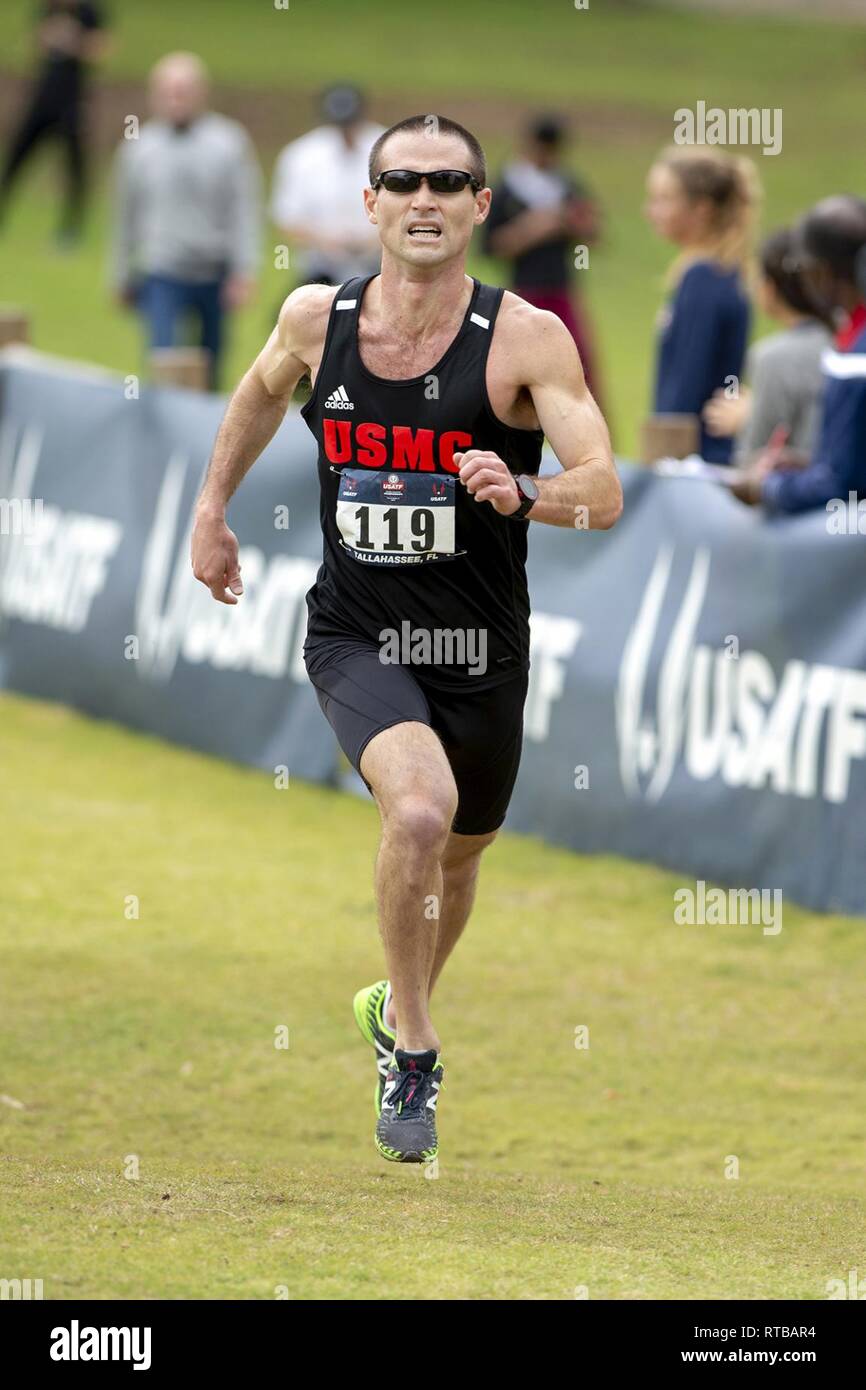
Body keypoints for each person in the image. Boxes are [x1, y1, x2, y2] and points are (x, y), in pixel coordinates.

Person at [190, 114, 621, 1165]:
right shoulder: (312, 317)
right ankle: (416, 1053)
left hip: (479, 648)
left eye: (448, 181)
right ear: (369, 203)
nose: (423, 198)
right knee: (417, 812)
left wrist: (521, 490)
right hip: (357, 630)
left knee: (458, 858)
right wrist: (210, 510)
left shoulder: (524, 338)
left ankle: (397, 1001)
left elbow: (602, 490)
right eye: (401, 180)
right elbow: (254, 394)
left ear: (482, 205)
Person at [110, 52, 262, 391]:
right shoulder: (138, 148)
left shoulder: (228, 142)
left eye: (183, 91)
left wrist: (244, 269)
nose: (175, 100)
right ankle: (162, 434)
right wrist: (120, 273)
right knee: (164, 361)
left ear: (201, 93)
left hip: (213, 271)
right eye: (167, 91)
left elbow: (243, 209)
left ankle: (210, 438)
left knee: (212, 363)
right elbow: (125, 216)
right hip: (162, 272)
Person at [731, 196, 866, 512]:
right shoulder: (848, 340)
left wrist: (767, 486)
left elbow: (838, 489)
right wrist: (811, 465)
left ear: (819, 272)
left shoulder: (855, 360)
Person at [644, 146, 758, 464]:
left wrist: (662, 462)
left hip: (698, 460)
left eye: (664, 200)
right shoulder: (720, 271)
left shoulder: (703, 277)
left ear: (702, 208)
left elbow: (685, 386)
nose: (650, 211)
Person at [484, 114, 605, 410]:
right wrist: (535, 228)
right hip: (523, 290)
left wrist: (576, 224)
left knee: (582, 364)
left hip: (562, 288)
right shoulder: (508, 187)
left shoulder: (567, 184)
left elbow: (594, 235)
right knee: (516, 366)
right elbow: (492, 246)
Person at [703, 228, 833, 465]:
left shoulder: (773, 358)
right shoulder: (849, 341)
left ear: (769, 288)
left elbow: (753, 459)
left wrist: (748, 419)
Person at [0, 0, 110, 245]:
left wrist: (73, 41)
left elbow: (101, 49)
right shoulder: (48, 8)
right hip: (42, 98)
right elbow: (34, 44)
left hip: (73, 101)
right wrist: (48, 37)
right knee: (15, 158)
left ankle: (69, 231)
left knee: (75, 168)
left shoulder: (89, 11)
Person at [270, 84, 384, 287]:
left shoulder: (387, 147)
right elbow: (287, 218)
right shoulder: (301, 155)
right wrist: (325, 241)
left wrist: (375, 240)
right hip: (321, 269)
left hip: (379, 264)